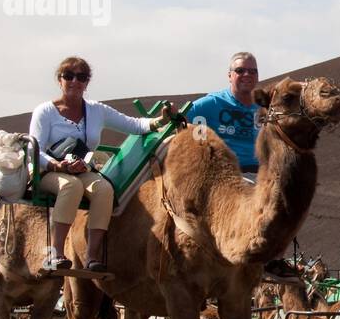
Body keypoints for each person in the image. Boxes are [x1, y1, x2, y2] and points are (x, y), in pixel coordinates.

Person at [30, 56, 170, 273]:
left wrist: (160, 121)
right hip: (50, 171)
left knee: (104, 189)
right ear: (60, 80)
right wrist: (58, 166)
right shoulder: (45, 112)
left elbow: (133, 125)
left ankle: (92, 256)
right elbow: (35, 150)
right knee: (70, 186)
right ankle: (56, 253)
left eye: (81, 77)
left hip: (81, 169)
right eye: (69, 76)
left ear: (87, 83)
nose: (75, 81)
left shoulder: (96, 110)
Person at [186, 52, 263, 176]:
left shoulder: (264, 106)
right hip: (227, 174)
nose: (247, 74)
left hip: (263, 173)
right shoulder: (212, 103)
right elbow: (180, 120)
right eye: (240, 70)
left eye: (252, 71)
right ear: (230, 76)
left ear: (257, 76)